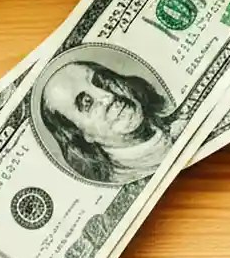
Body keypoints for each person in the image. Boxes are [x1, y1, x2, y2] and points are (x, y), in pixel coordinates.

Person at [39, 60, 185, 184]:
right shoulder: (128, 180)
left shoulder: (180, 117)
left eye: (102, 82)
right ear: (81, 135)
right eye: (86, 103)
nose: (108, 96)